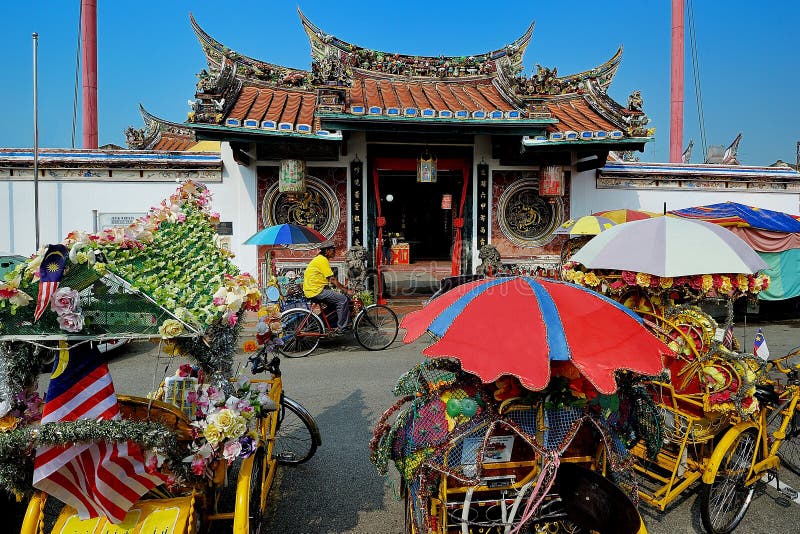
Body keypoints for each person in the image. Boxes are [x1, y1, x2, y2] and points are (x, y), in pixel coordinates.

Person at [303, 241, 353, 333]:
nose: (334, 252)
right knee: (343, 299)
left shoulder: (320, 259)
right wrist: (346, 290)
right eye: (333, 250)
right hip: (316, 291)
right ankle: (342, 328)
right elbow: (332, 279)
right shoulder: (322, 260)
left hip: (314, 290)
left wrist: (340, 288)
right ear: (326, 251)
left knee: (334, 304)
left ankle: (323, 323)